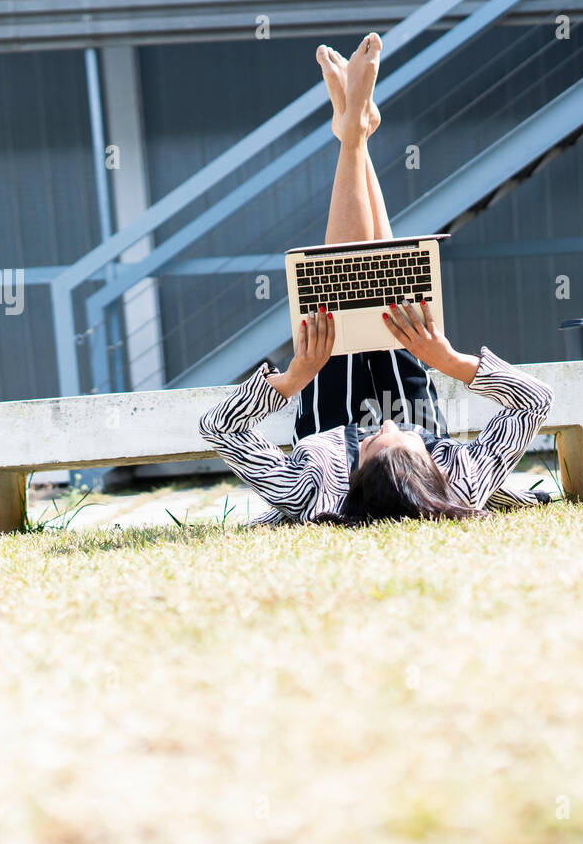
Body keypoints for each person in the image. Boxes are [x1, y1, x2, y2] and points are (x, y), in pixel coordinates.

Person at [197, 34, 553, 525]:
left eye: (372, 439)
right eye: (400, 434)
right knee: (390, 283)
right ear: (431, 470)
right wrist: (448, 362)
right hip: (411, 395)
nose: (381, 422)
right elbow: (535, 402)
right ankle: (353, 132)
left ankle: (356, 132)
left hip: (324, 404)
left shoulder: (313, 494)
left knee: (341, 280)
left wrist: (294, 377)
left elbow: (219, 430)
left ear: (355, 480)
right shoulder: (460, 482)